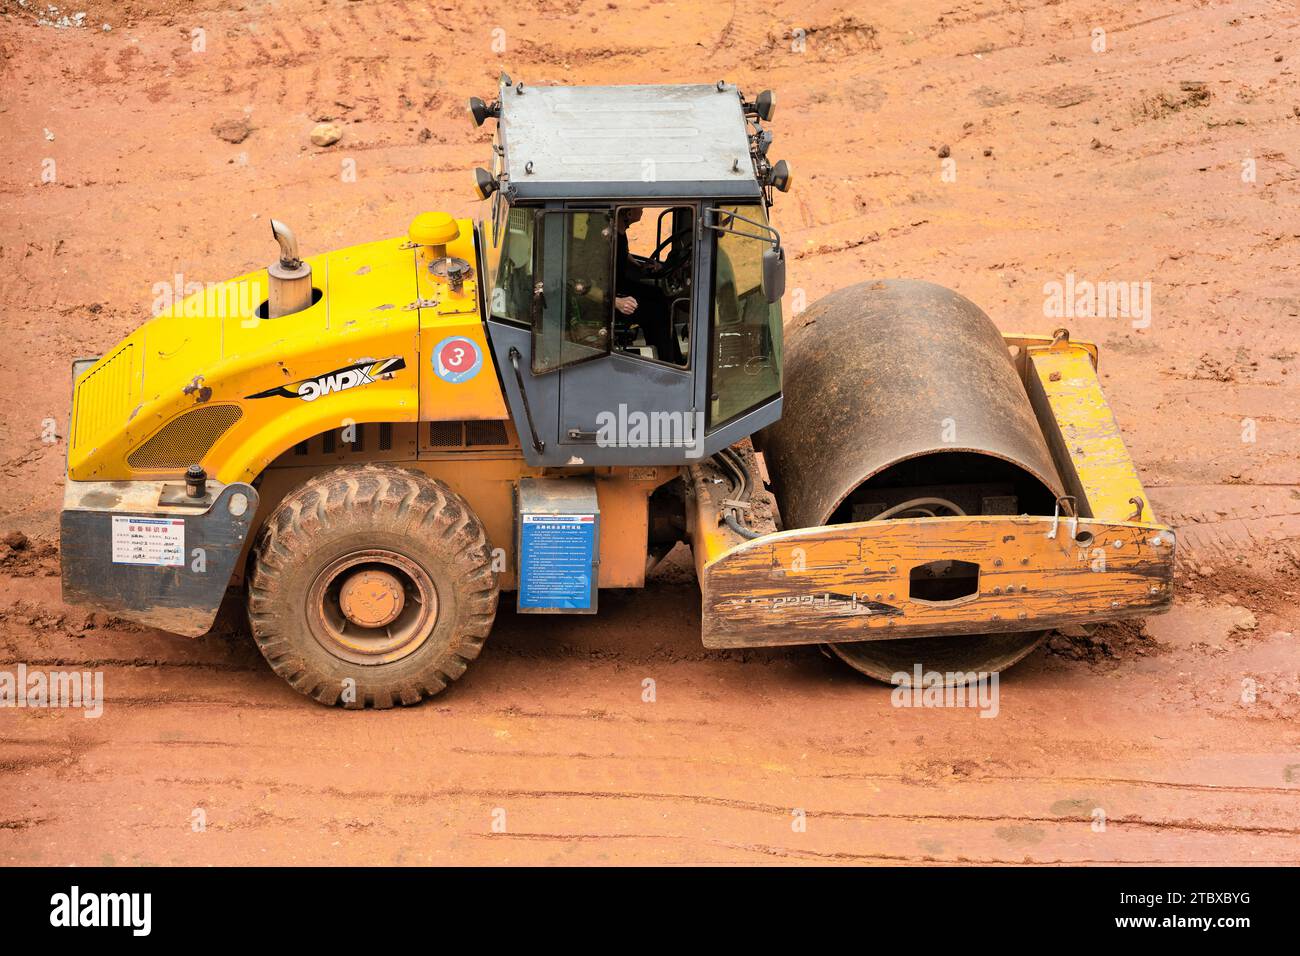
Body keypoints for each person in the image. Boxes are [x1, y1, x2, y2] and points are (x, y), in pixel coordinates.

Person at [613, 208, 682, 365]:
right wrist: (616, 301)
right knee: (655, 311)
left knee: (657, 294)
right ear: (628, 214)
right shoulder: (608, 234)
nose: (643, 209)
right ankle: (667, 362)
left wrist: (641, 266)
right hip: (613, 295)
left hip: (621, 285)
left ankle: (674, 358)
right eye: (640, 208)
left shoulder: (620, 231)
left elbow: (624, 254)